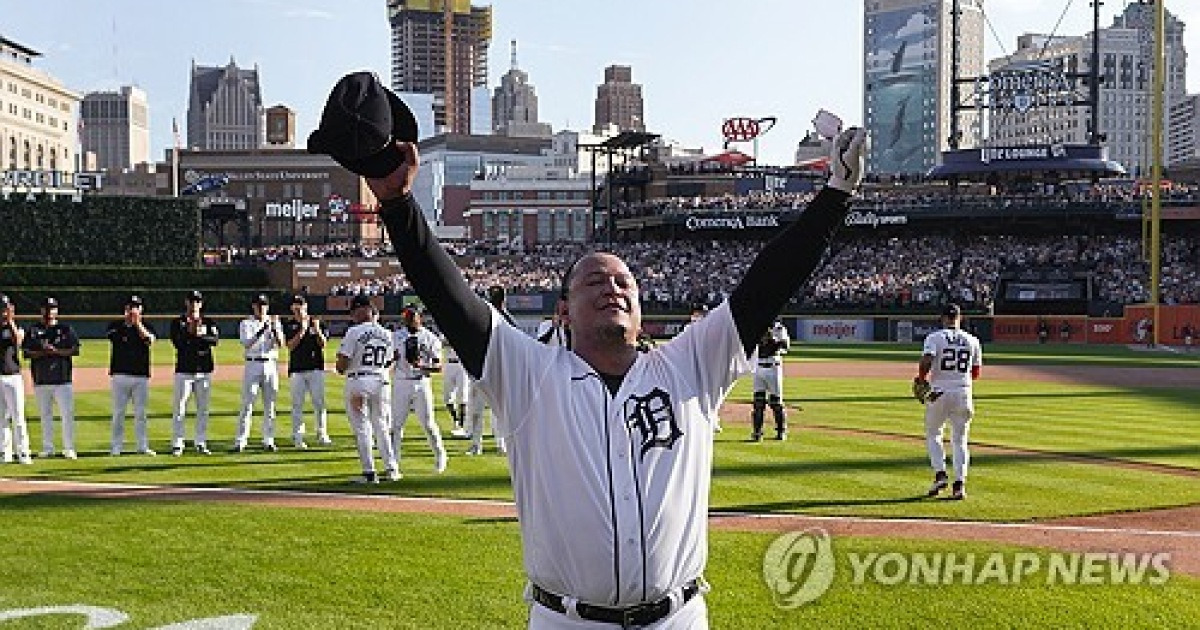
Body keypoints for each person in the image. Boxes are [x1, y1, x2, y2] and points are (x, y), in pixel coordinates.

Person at [361, 125, 867, 627]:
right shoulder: (529, 375)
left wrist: (835, 197)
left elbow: (765, 286)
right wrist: (400, 208)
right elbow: (454, 303)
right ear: (563, 310)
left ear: (641, 308)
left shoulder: (689, 365)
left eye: (624, 281)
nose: (612, 288)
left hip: (678, 618)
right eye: (593, 281)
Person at [914, 303, 983, 501]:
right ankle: (959, 485)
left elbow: (927, 359)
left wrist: (921, 378)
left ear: (943, 318)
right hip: (963, 393)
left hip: (939, 392)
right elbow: (976, 373)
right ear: (960, 318)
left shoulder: (934, 337)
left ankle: (940, 474)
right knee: (960, 440)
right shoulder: (973, 340)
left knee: (934, 434)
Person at [336, 294, 400, 483]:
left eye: (355, 311)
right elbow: (390, 360)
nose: (353, 315)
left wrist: (342, 367)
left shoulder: (354, 331)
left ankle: (369, 472)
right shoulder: (387, 333)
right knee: (381, 426)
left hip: (359, 380)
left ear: (363, 310)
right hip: (381, 379)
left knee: (363, 428)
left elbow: (342, 363)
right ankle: (392, 469)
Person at [391, 308, 448, 474]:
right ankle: (394, 462)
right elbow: (390, 358)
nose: (408, 320)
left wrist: (422, 366)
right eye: (406, 317)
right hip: (401, 382)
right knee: (396, 425)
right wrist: (392, 357)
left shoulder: (430, 338)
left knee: (428, 424)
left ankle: (440, 456)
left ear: (419, 318)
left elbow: (439, 367)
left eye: (412, 317)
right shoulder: (396, 336)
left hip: (421, 382)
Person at [23, 297, 80, 460]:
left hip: (63, 379)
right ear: (42, 311)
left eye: (52, 308)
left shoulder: (65, 329)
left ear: (57, 311)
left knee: (66, 414)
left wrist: (56, 351)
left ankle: (69, 447)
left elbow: (75, 350)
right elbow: (26, 353)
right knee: (45, 415)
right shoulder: (34, 330)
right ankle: (48, 447)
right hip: (41, 379)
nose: (49, 312)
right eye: (47, 308)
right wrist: (43, 352)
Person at [170, 290, 219, 456]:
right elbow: (178, 342)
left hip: (204, 370)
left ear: (201, 303)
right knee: (180, 408)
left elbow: (214, 340)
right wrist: (192, 333)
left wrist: (198, 336)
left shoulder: (208, 321)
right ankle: (178, 443)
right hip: (184, 369)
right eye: (191, 301)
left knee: (203, 409)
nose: (194, 304)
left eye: (197, 301)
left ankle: (201, 441)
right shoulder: (178, 322)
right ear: (186, 303)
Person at [232, 294, 284, 453]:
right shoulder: (247, 323)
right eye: (259, 305)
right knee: (247, 403)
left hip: (270, 364)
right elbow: (246, 343)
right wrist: (263, 329)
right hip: (253, 363)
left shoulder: (274, 322)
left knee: (270, 405)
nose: (261, 308)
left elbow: (281, 344)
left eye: (264, 305)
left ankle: (268, 439)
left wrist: (274, 328)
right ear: (253, 306)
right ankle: (241, 440)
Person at [107, 295, 157, 456]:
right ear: (125, 310)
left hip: (140, 376)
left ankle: (142, 445)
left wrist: (138, 324)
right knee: (118, 413)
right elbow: (113, 337)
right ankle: (116, 446)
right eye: (130, 308)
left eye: (136, 307)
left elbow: (150, 340)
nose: (132, 311)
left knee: (141, 413)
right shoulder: (116, 326)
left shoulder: (147, 326)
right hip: (120, 375)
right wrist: (129, 323)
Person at [283, 295, 331, 449]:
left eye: (301, 306)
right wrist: (302, 330)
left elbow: (323, 344)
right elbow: (290, 345)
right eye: (296, 306)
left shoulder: (317, 322)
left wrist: (317, 330)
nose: (298, 309)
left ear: (306, 307)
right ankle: (298, 435)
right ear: (292, 308)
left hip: (316, 368)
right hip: (297, 369)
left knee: (319, 403)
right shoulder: (290, 325)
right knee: (297, 404)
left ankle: (322, 433)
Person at [0, 294, 32, 465]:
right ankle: (5, 452)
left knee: (18, 416)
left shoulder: (17, 328)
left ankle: (23, 451)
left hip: (12, 375)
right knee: (1, 417)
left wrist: (10, 320)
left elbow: (17, 340)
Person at [751, 320, 791, 442]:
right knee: (758, 403)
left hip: (773, 367)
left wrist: (773, 340)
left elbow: (785, 346)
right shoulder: (756, 326)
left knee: (776, 403)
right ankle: (757, 432)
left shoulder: (778, 328)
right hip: (758, 367)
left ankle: (781, 430)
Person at [442, 337, 470, 439]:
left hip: (461, 364)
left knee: (463, 395)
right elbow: (443, 343)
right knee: (447, 396)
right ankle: (456, 420)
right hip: (449, 364)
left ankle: (462, 425)